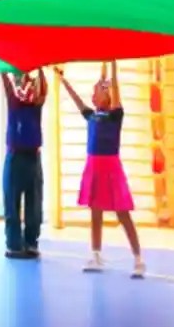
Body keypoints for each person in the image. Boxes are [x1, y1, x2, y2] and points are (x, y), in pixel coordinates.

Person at [55, 63, 144, 277]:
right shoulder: (91, 115)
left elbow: (115, 87)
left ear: (109, 96)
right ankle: (95, 254)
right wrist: (62, 79)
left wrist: (112, 64)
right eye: (95, 90)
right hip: (94, 166)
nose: (95, 93)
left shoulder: (116, 114)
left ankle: (138, 258)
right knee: (96, 212)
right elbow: (76, 100)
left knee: (123, 213)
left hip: (111, 167)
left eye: (100, 90)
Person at [2, 69, 47, 259]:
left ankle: (31, 242)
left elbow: (43, 91)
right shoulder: (14, 102)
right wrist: (2, 69)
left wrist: (41, 69)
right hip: (15, 157)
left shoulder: (36, 106)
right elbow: (7, 84)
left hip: (32, 158)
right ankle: (14, 244)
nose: (27, 88)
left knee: (34, 204)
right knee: (11, 202)